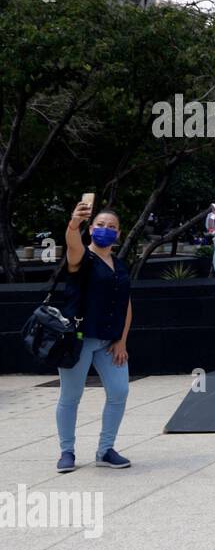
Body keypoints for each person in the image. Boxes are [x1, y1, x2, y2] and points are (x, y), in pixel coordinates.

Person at [55, 201, 133, 473]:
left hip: (109, 341)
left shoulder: (120, 266)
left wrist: (122, 340)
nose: (105, 230)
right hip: (79, 339)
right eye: (100, 225)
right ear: (91, 228)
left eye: (112, 227)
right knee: (71, 396)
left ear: (119, 234)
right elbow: (72, 243)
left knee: (119, 391)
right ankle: (67, 451)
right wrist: (74, 223)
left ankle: (105, 450)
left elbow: (127, 305)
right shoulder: (82, 258)